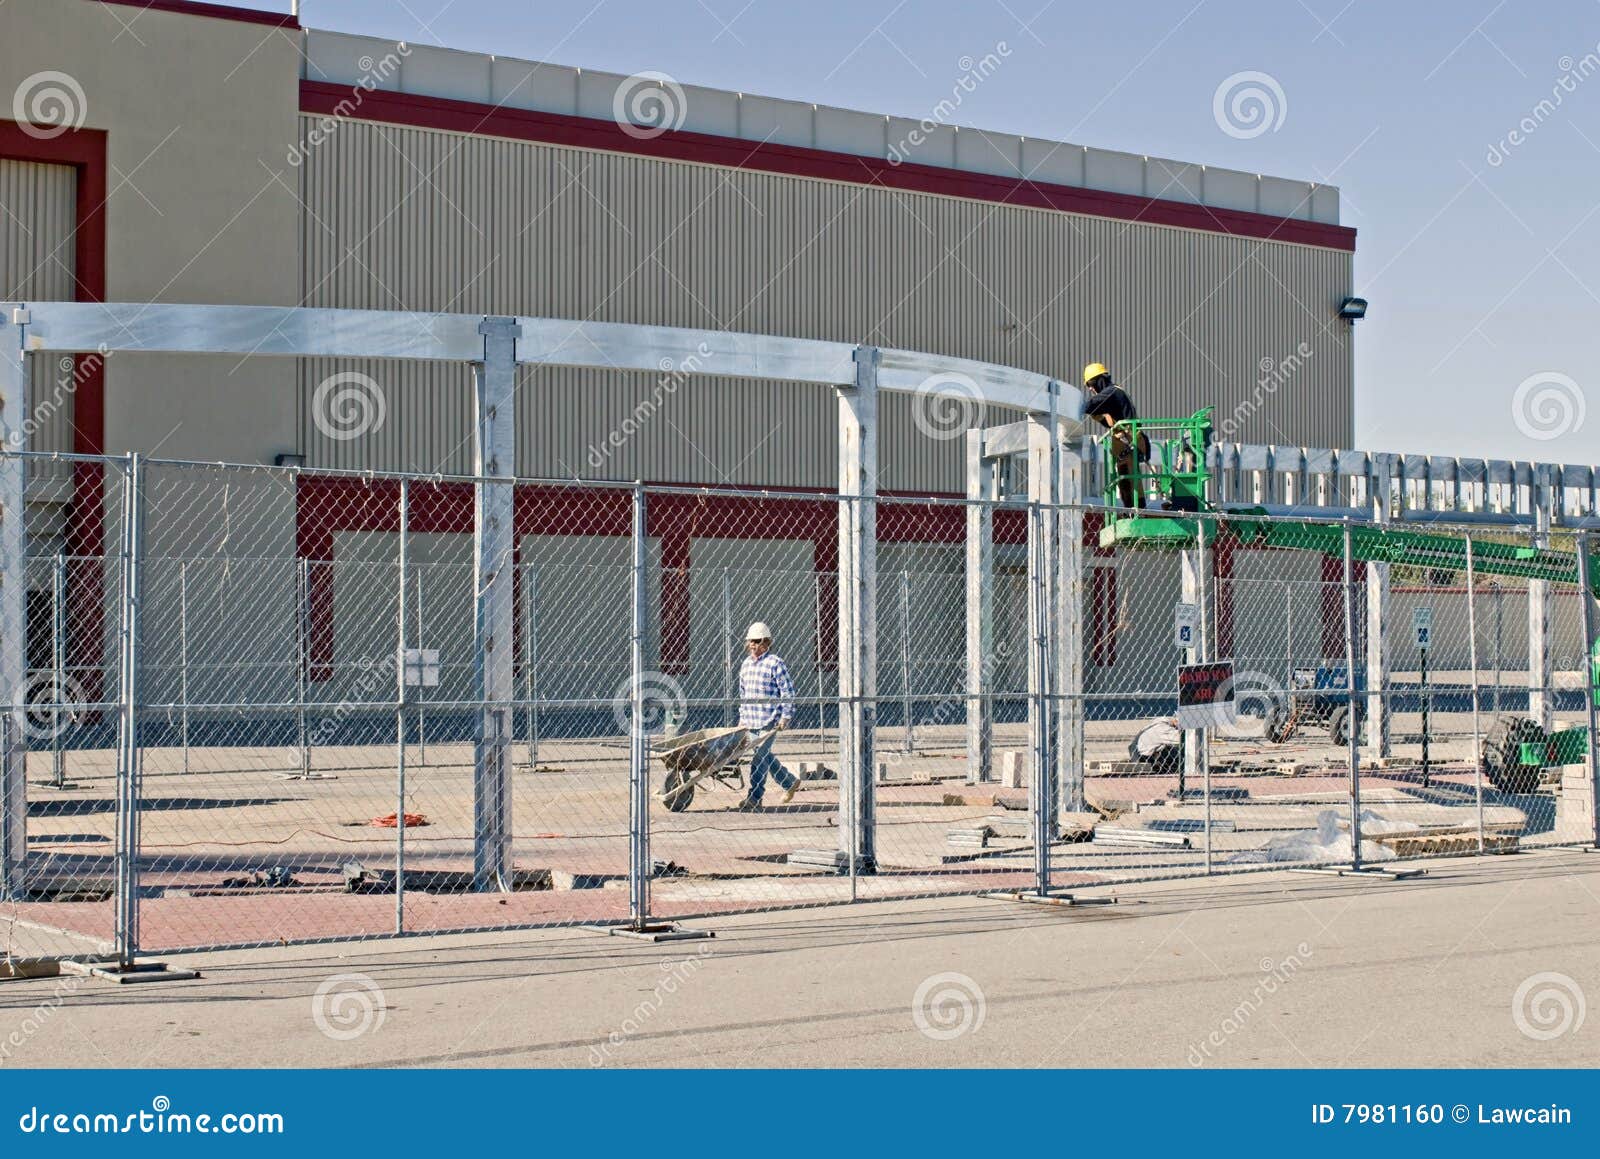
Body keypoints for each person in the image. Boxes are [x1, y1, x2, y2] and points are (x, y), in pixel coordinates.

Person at [736, 621, 800, 811]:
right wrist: (742, 718)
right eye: (750, 641)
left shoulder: (775, 663)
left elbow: (787, 692)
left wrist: (785, 716)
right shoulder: (746, 664)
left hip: (769, 720)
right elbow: (743, 694)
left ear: (766, 642)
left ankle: (754, 798)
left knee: (759, 760)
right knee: (763, 756)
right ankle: (789, 782)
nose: (753, 645)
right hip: (751, 720)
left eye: (757, 641)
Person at [1081, 361, 1146, 508]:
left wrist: (1079, 406)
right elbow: (1107, 420)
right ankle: (1132, 510)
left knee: (1131, 480)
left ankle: (1138, 511)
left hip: (1129, 440)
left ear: (1100, 380)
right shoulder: (1112, 395)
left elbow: (1089, 405)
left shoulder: (1112, 392)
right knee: (1125, 479)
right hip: (1126, 441)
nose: (1090, 388)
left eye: (1091, 384)